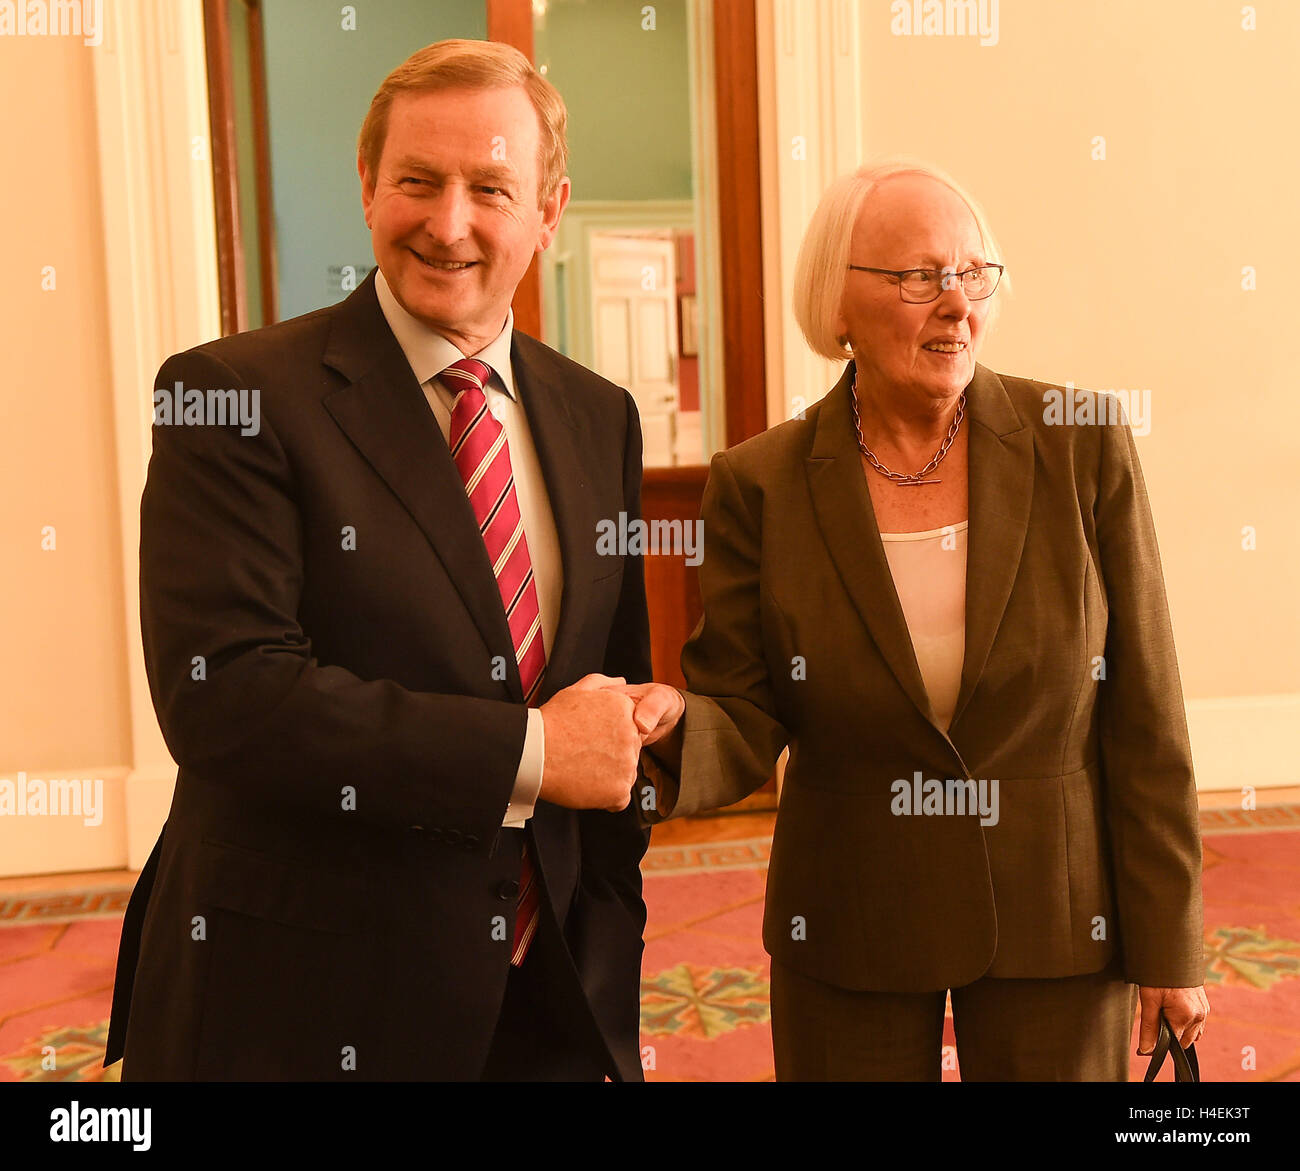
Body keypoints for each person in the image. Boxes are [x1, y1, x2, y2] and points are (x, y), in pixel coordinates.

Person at [104, 39, 652, 1081]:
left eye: (491, 187)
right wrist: (534, 751)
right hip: (306, 1002)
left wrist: (630, 769)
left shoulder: (599, 417)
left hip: (544, 1000)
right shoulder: (233, 398)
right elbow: (230, 697)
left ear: (549, 209)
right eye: (416, 181)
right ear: (366, 188)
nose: (449, 223)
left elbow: (606, 692)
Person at [622, 160, 1209, 1080]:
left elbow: (1146, 715)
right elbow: (742, 705)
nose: (955, 303)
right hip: (850, 913)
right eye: (916, 277)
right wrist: (664, 733)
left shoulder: (1081, 444)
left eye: (973, 275)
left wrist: (1170, 945)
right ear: (837, 307)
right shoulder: (759, 482)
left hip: (1056, 913)